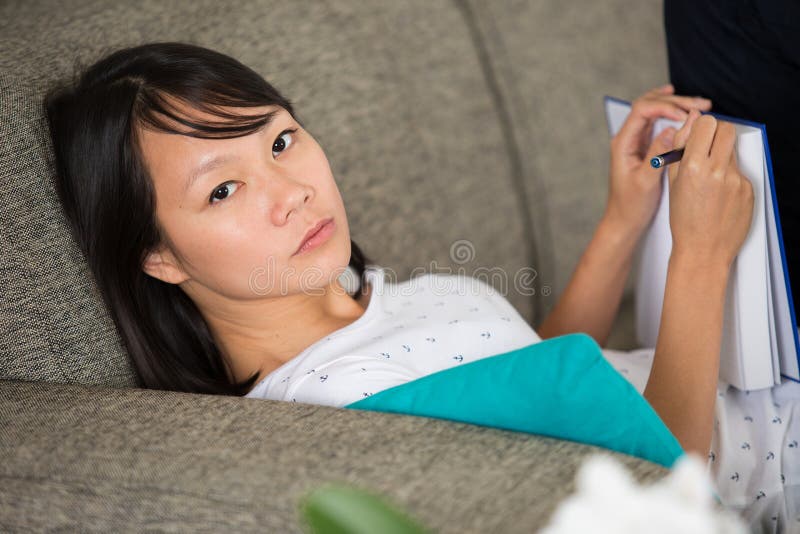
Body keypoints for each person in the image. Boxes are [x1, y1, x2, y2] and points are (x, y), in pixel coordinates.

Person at [47, 42, 785, 525]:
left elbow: (556, 378)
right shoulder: (341, 403)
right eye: (223, 191)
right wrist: (699, 257)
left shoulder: (379, 299)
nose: (291, 191)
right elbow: (657, 477)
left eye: (279, 141)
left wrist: (625, 219)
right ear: (159, 257)